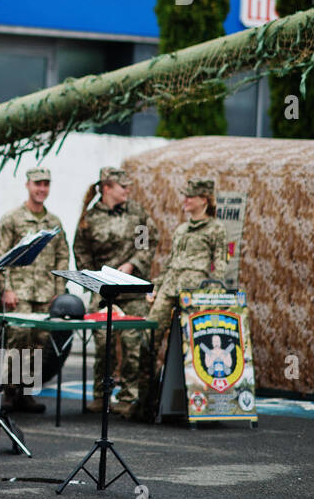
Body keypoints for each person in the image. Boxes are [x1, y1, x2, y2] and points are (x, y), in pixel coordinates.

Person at [73, 167, 158, 416]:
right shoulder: (89, 219)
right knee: (103, 343)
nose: (128, 191)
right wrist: (94, 281)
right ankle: (101, 396)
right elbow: (82, 253)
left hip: (132, 288)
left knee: (134, 344)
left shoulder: (137, 214)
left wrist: (133, 263)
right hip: (103, 290)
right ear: (107, 187)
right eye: (123, 187)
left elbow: (146, 244)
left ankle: (129, 398)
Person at [143, 178, 227, 417]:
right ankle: (144, 400)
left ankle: (196, 404)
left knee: (194, 347)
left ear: (204, 200)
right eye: (184, 196)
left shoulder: (216, 229)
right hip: (170, 287)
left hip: (195, 292)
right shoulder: (181, 229)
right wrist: (155, 287)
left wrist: (215, 293)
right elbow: (171, 264)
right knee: (148, 338)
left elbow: (220, 262)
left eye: (190, 196)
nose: (185, 200)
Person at [0, 166, 70, 413]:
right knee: (16, 341)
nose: (41, 189)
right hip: (20, 293)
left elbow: (62, 257)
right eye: (37, 184)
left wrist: (59, 290)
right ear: (27, 185)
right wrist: (6, 289)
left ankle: (26, 392)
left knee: (38, 345)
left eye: (46, 184)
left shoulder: (54, 222)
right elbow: (0, 257)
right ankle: (9, 391)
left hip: (46, 294)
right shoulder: (12, 219)